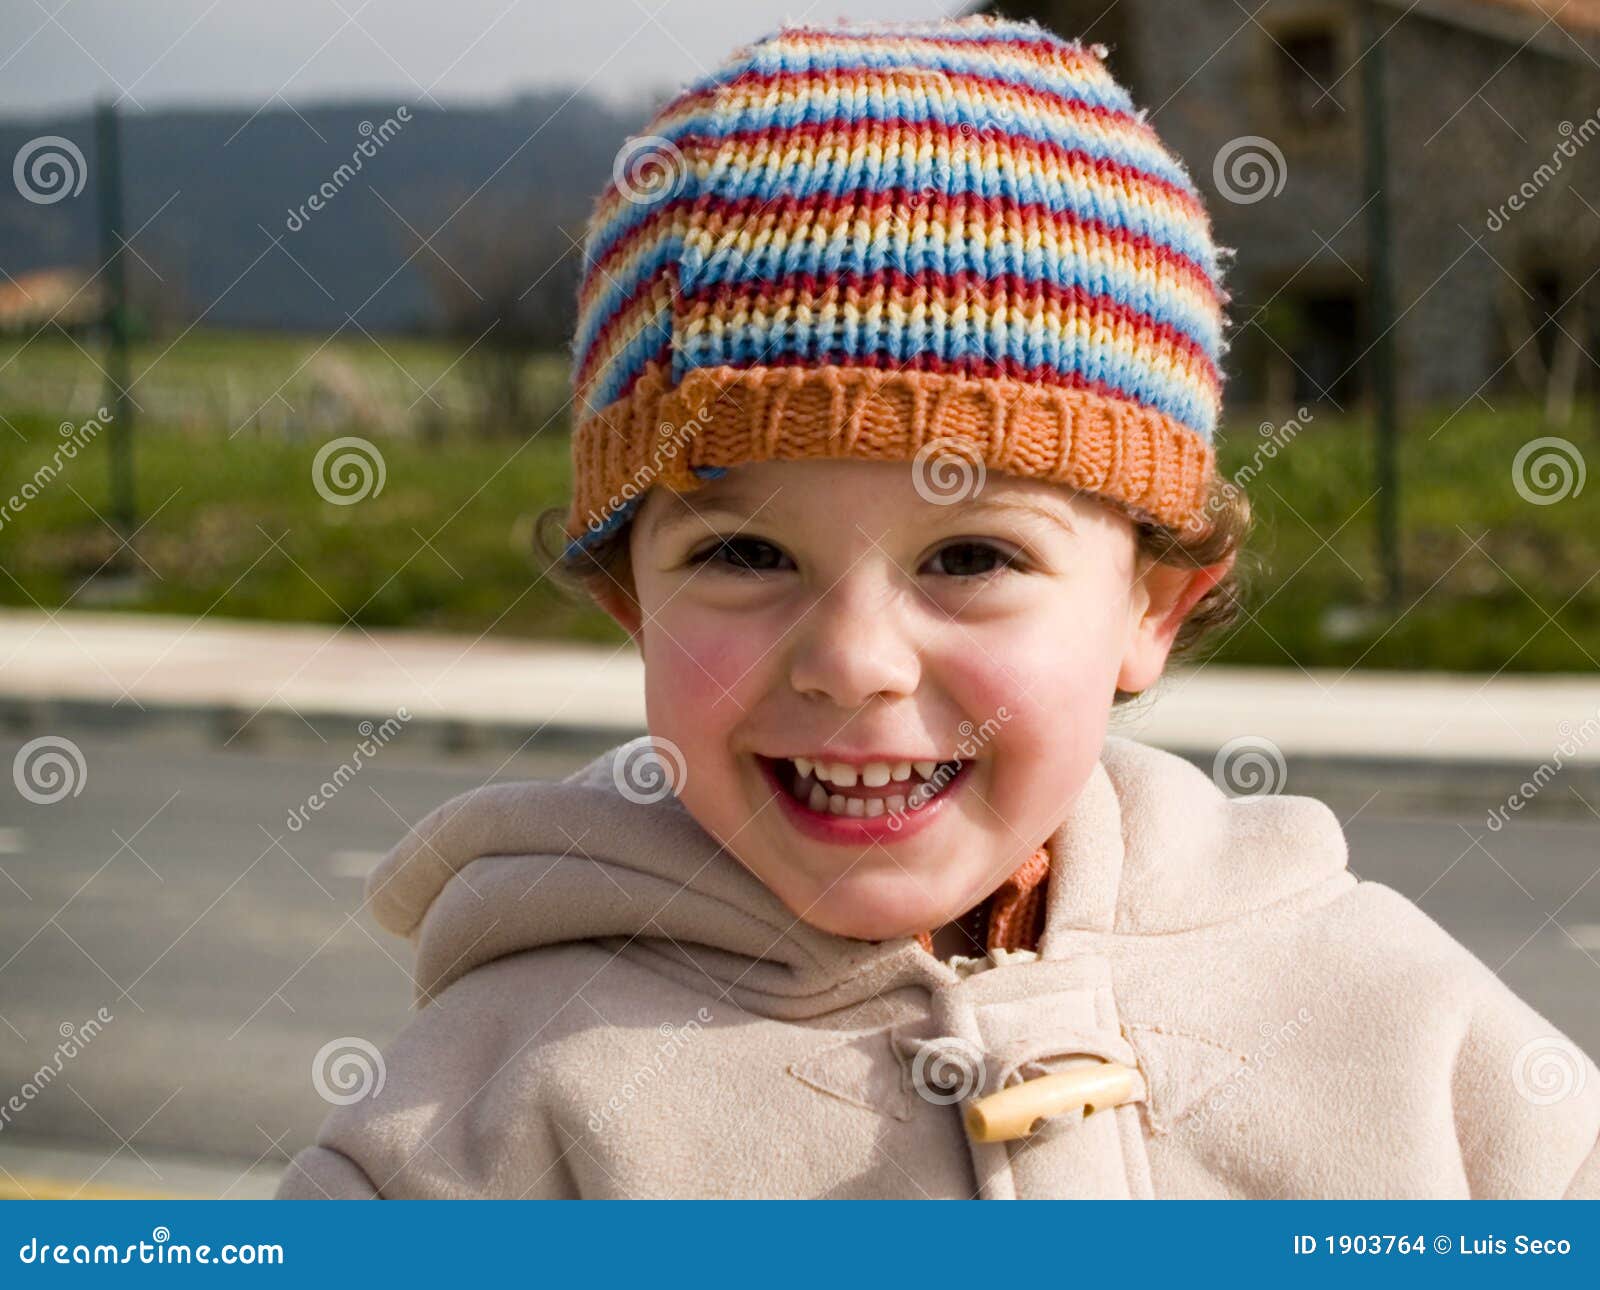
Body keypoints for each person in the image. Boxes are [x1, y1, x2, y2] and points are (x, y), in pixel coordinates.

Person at [275, 13, 1599, 1199]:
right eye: (743, 555)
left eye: (969, 558)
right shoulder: (484, 1118)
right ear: (632, 603)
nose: (854, 662)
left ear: (1154, 606)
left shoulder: (1403, 1030)